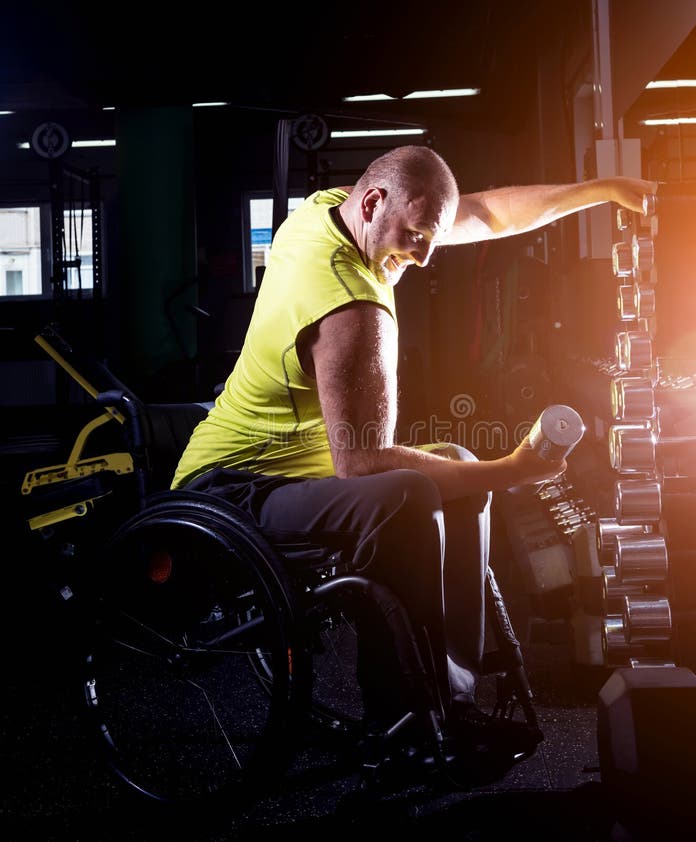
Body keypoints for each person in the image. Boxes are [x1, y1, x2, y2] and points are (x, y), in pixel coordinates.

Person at [171, 144, 656, 758]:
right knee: (406, 493)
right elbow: (363, 464)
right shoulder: (352, 308)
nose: (427, 256)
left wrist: (602, 188)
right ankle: (406, 718)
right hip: (232, 492)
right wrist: (510, 470)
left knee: (452, 456)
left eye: (433, 234)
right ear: (374, 204)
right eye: (418, 235)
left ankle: (452, 692)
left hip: (293, 476)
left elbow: (488, 213)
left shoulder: (328, 211)